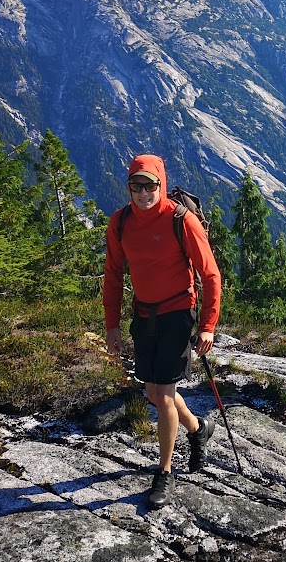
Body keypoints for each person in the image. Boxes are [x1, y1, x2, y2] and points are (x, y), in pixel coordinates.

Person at [104, 154, 222, 509]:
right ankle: (199, 429)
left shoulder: (180, 221)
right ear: (128, 187)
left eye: (150, 185)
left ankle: (164, 473)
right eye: (136, 186)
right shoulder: (121, 222)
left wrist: (207, 326)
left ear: (162, 184)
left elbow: (210, 274)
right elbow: (112, 276)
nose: (143, 193)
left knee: (165, 396)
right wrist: (112, 326)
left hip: (177, 314)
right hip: (144, 315)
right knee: (154, 394)